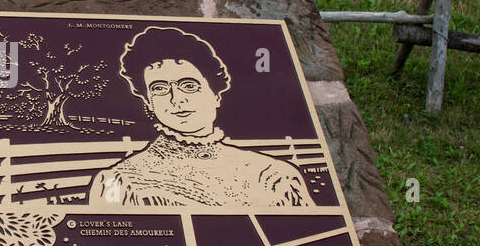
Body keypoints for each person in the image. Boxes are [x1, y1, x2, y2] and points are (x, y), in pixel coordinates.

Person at [88, 27, 312, 207]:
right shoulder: (120, 182)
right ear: (149, 103)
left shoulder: (272, 176)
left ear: (215, 94)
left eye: (189, 85)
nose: (177, 99)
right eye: (159, 88)